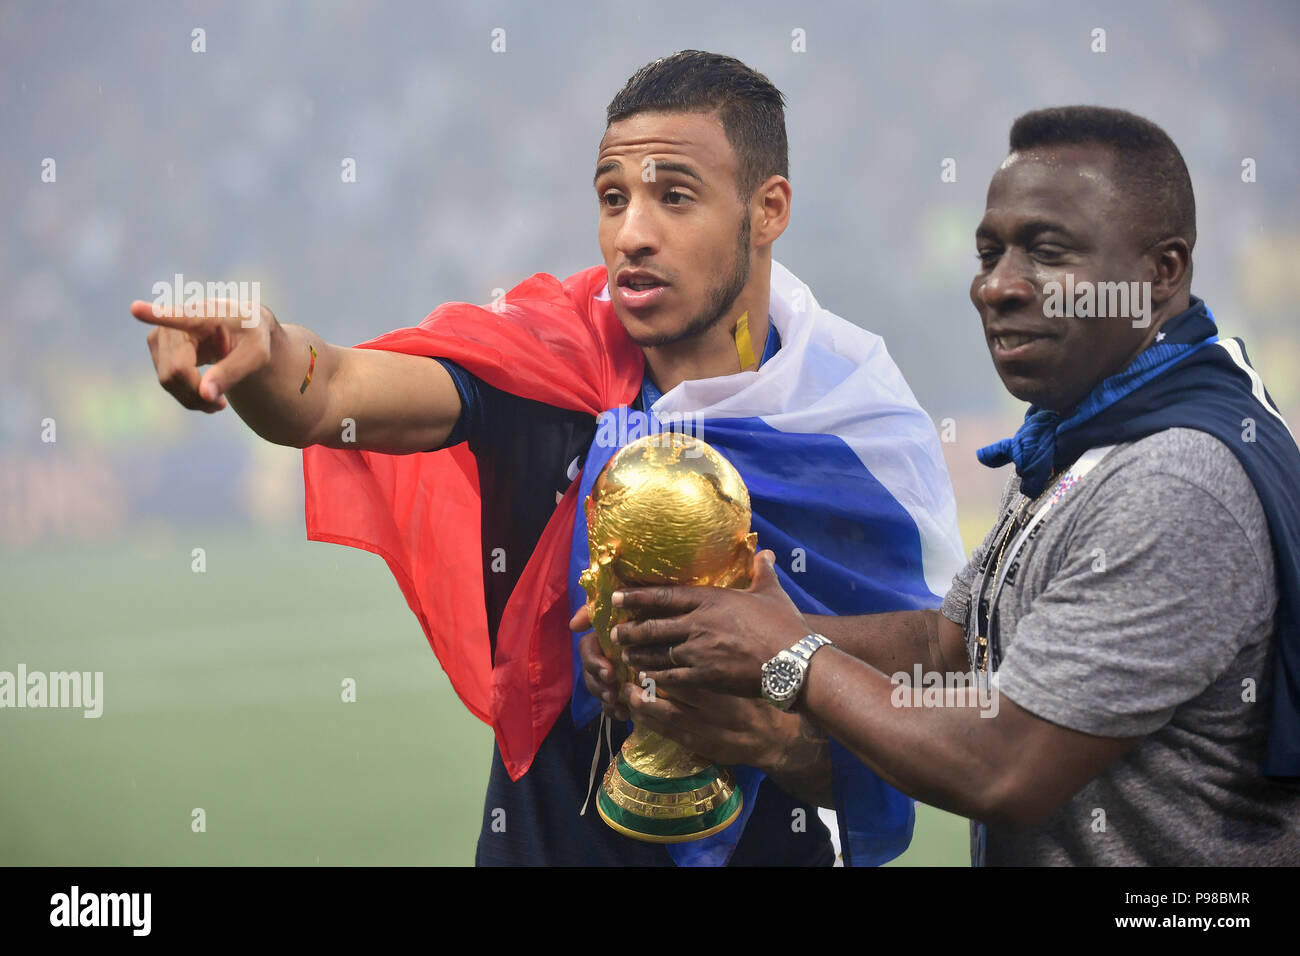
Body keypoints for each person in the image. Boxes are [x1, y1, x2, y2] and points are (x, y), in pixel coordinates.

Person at [131, 51, 963, 866]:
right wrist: (266, 348)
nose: (631, 234)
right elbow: (331, 389)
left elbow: (936, 701)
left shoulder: (849, 425)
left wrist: (779, 734)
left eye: (675, 197)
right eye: (612, 198)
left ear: (768, 208)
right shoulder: (545, 364)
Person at [599, 106, 1300, 865]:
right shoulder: (1083, 435)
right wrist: (714, 633)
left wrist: (791, 656)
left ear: (1161, 273)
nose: (996, 288)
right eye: (990, 252)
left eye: (1047, 253)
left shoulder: (1171, 479)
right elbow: (955, 648)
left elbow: (1005, 767)